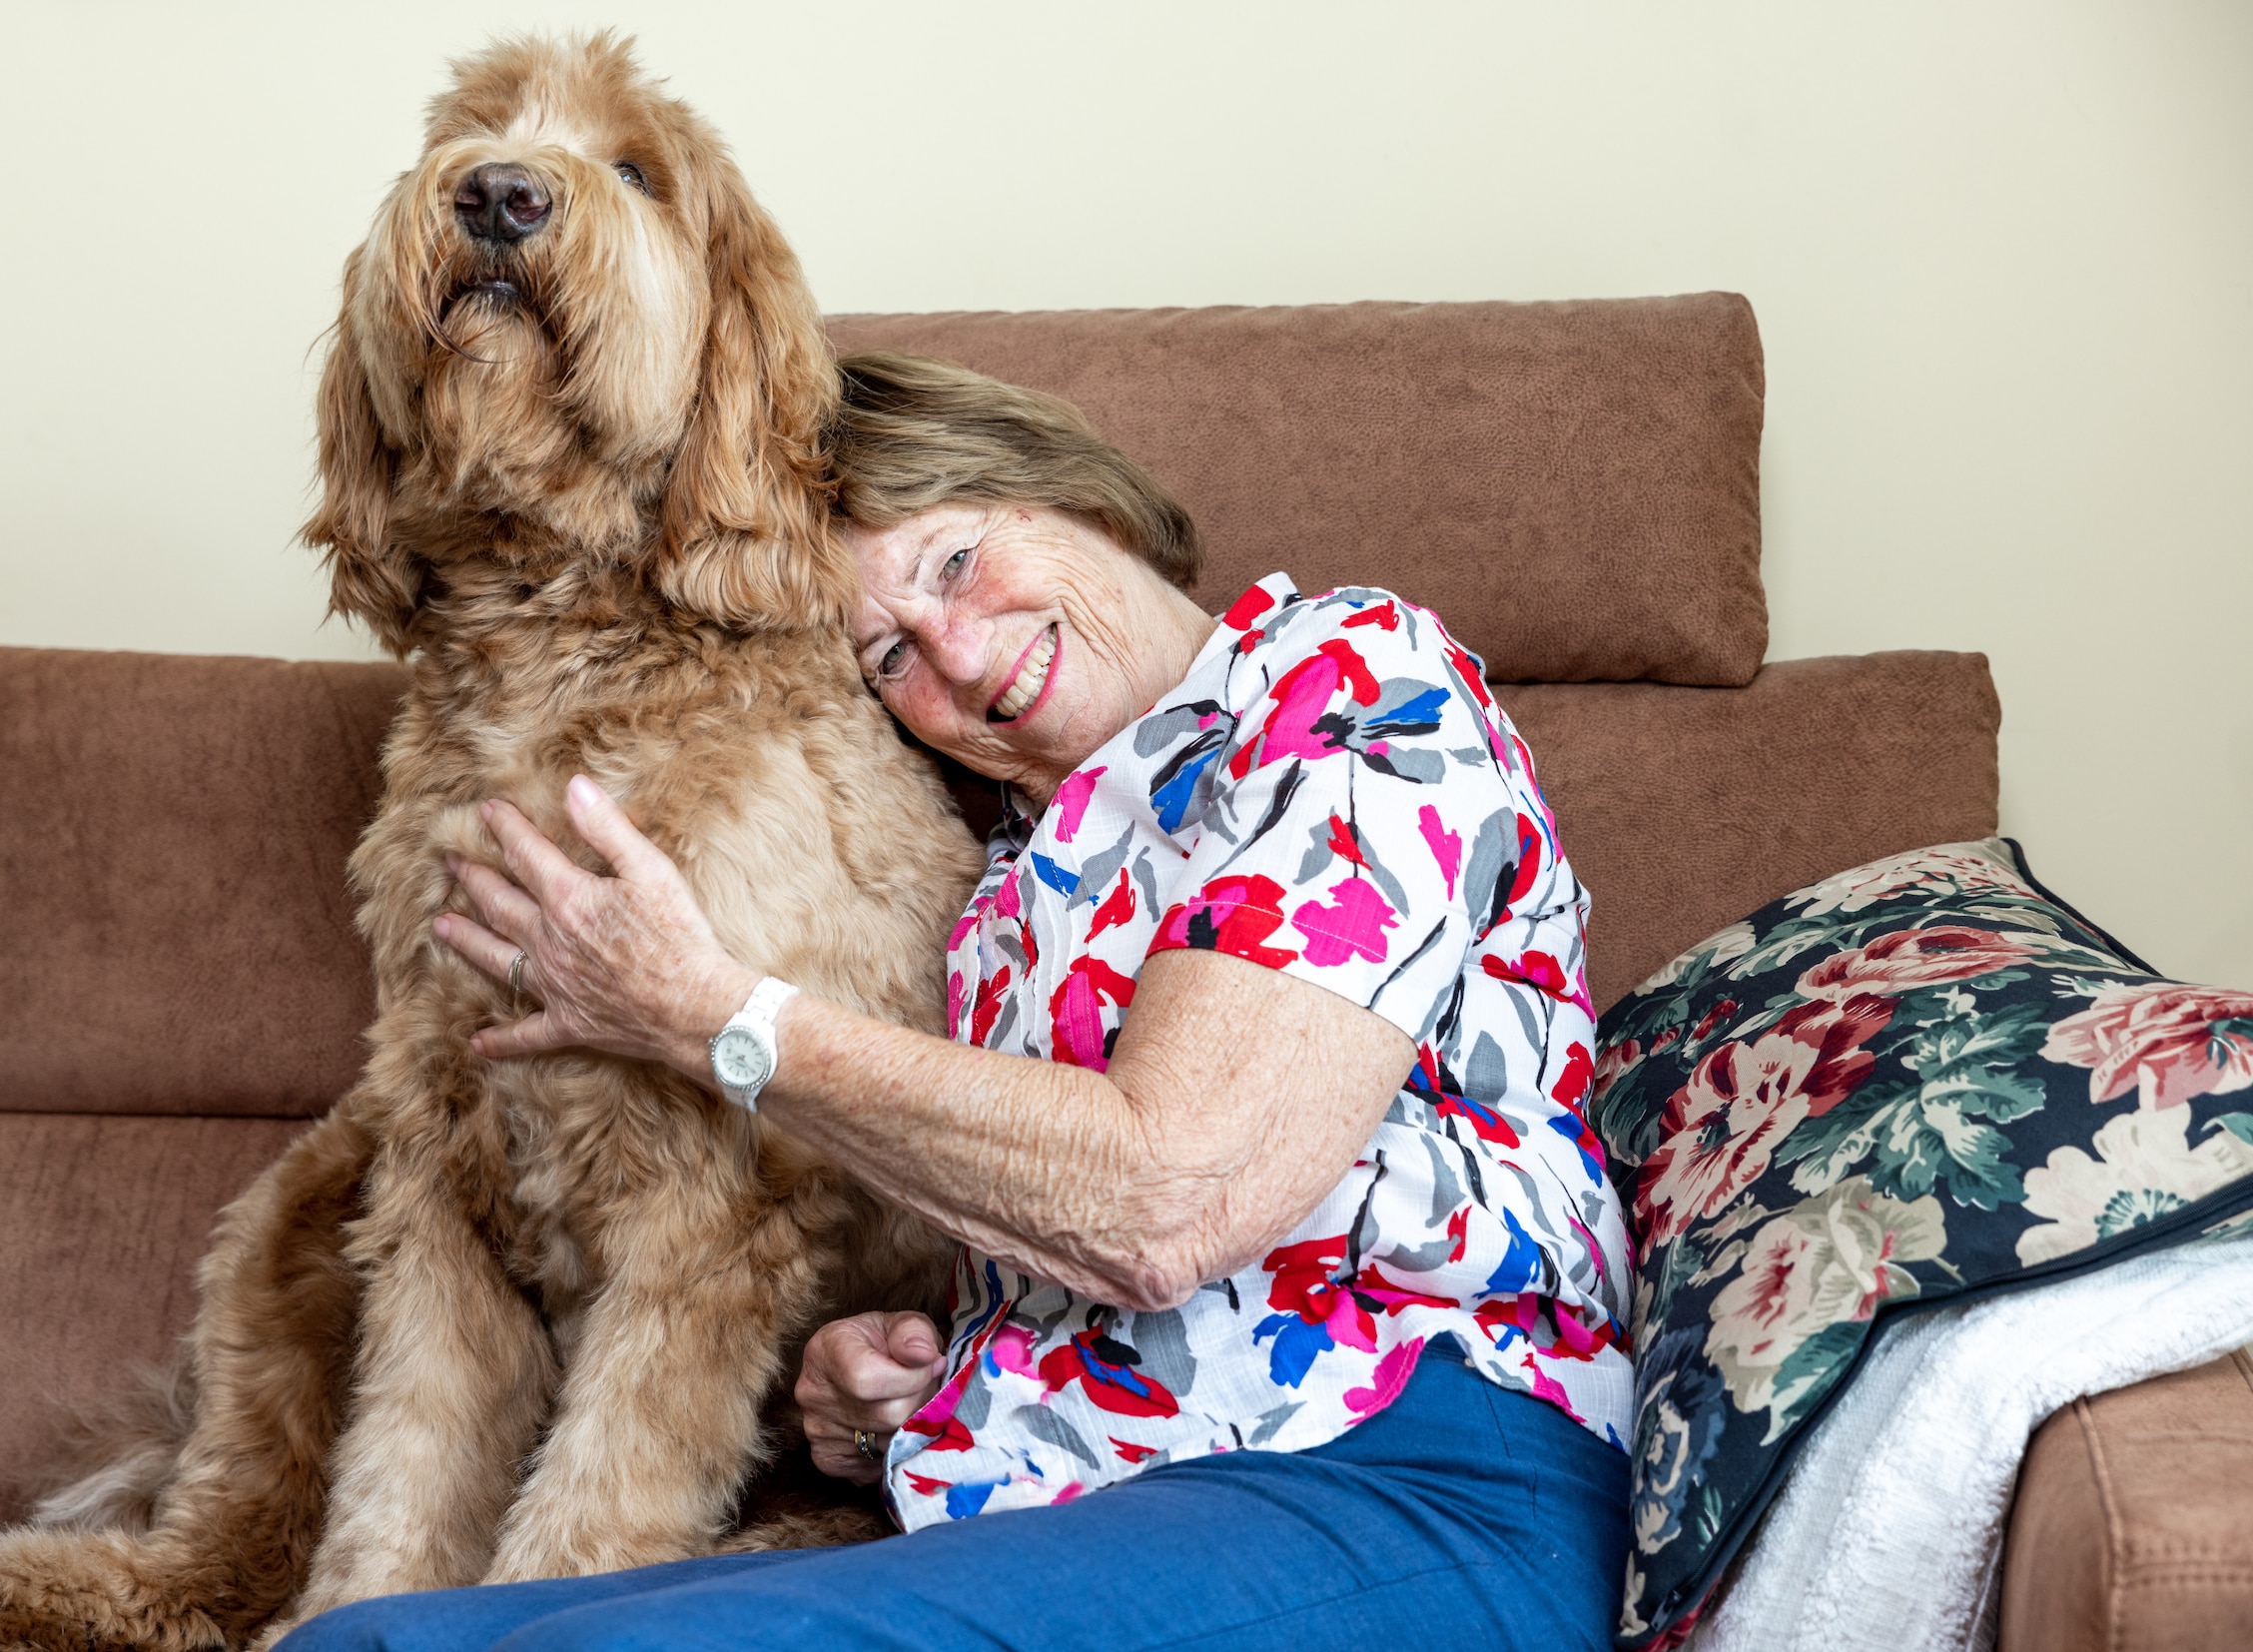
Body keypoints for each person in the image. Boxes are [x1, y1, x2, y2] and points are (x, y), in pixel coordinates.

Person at [284, 354, 1634, 1652]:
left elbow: (1168, 1197)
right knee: (366, 1640)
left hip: (1407, 1475)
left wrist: (713, 1016)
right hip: (1088, 1511)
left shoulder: (1344, 685)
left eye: (956, 562)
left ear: (1070, 491)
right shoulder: (996, 899)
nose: (962, 655)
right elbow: (1057, 1279)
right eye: (890, 659)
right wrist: (881, 1403)